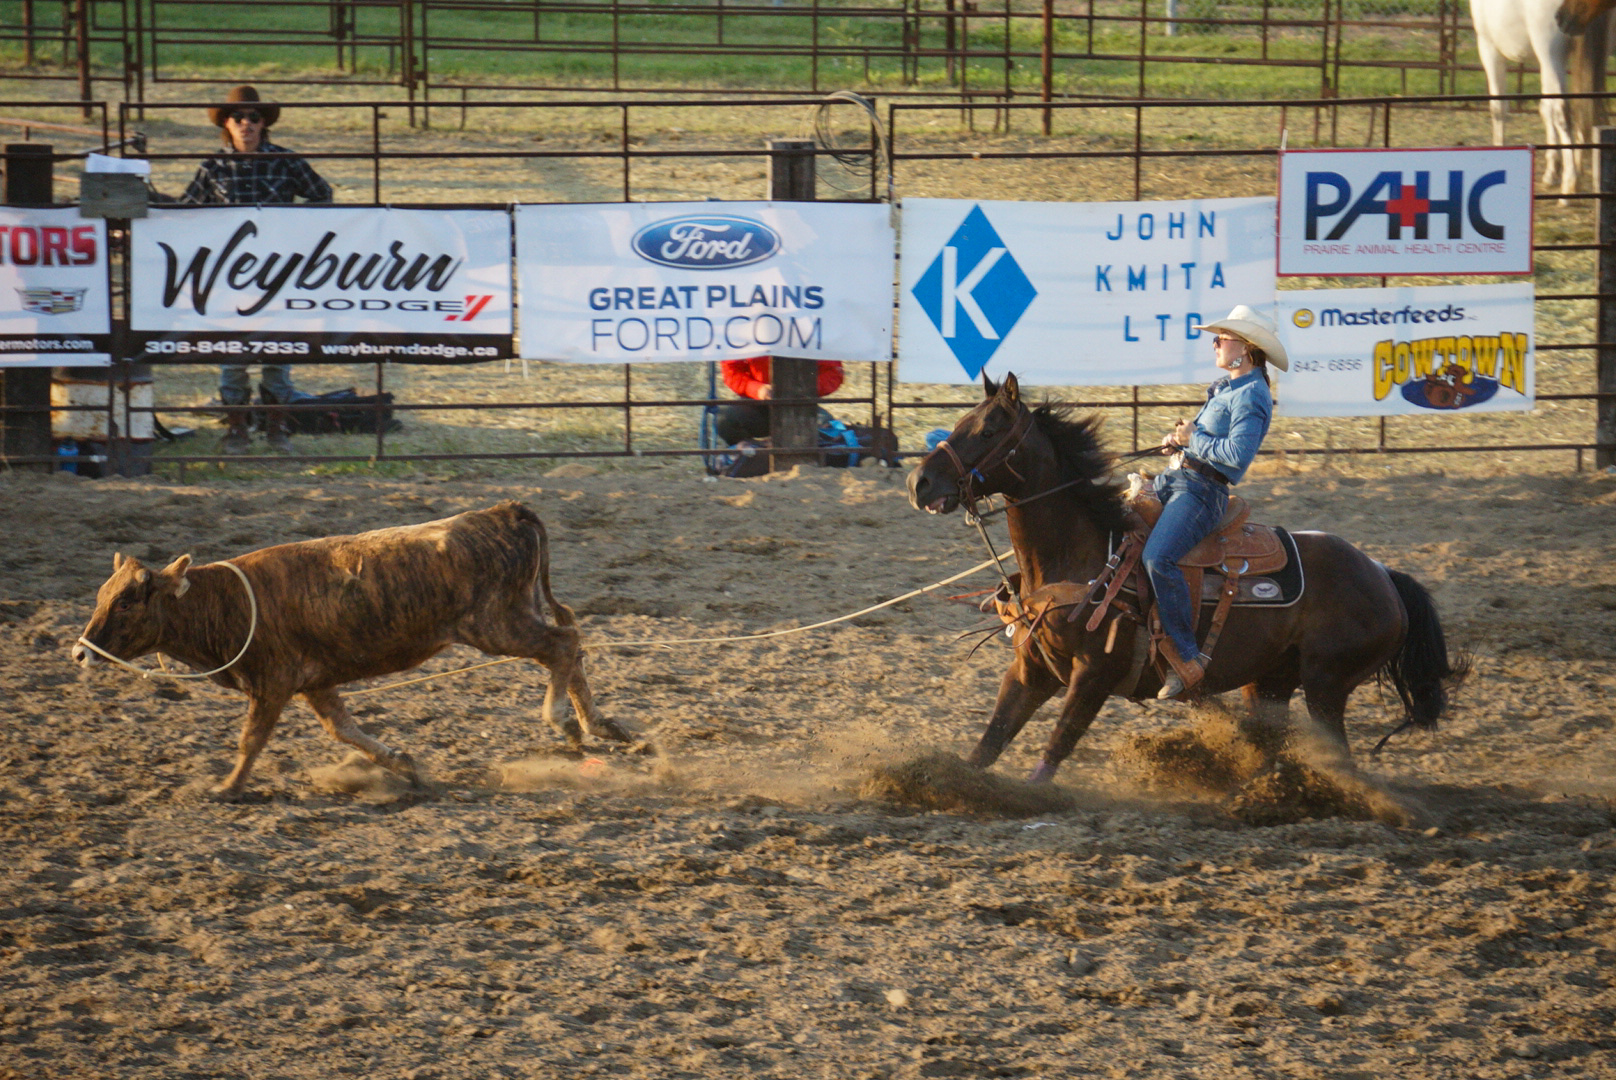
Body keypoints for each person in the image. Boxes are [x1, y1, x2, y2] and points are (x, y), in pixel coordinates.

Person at [1143, 304, 1288, 700]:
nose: (1215, 344)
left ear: (1246, 347)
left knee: (1159, 557)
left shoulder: (1253, 395)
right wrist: (1180, 445)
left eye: (1221, 338)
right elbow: (1208, 444)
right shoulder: (1229, 389)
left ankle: (1186, 658)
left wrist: (1194, 440)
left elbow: (1237, 456)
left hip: (1201, 493)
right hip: (1180, 479)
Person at [183, 85, 333, 455]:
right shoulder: (213, 166)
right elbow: (186, 210)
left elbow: (322, 194)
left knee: (278, 350)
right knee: (232, 351)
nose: (246, 123)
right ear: (226, 124)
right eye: (238, 117)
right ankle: (237, 427)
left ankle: (276, 426)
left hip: (277, 271)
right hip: (228, 272)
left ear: (264, 123)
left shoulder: (286, 161)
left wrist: (293, 228)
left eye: (254, 117)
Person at [714, 356, 844, 446]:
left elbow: (833, 372)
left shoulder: (809, 324)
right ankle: (754, 456)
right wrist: (756, 389)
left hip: (800, 404)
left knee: (827, 431)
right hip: (759, 403)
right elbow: (731, 371)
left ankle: (763, 450)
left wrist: (803, 389)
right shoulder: (745, 325)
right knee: (724, 422)